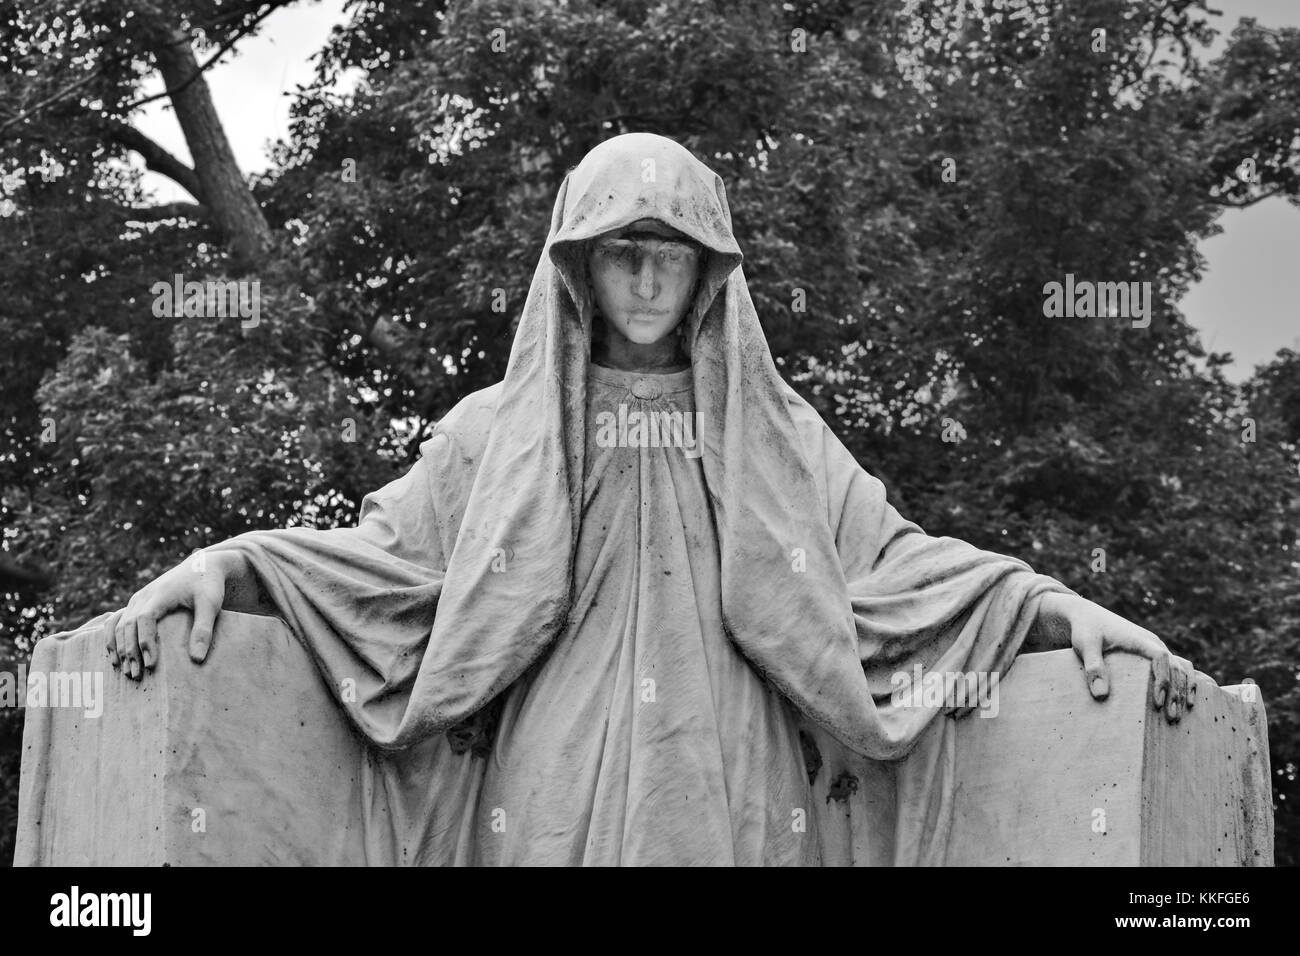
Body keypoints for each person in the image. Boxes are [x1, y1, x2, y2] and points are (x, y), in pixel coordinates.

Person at [102, 133, 1195, 865]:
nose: (644, 278)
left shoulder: (775, 436)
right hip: (549, 782)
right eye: (621, 250)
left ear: (709, 269)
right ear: (578, 265)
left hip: (732, 778)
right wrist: (230, 565)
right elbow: (382, 569)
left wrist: (1051, 606)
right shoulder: (498, 431)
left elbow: (894, 570)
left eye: (670, 253)